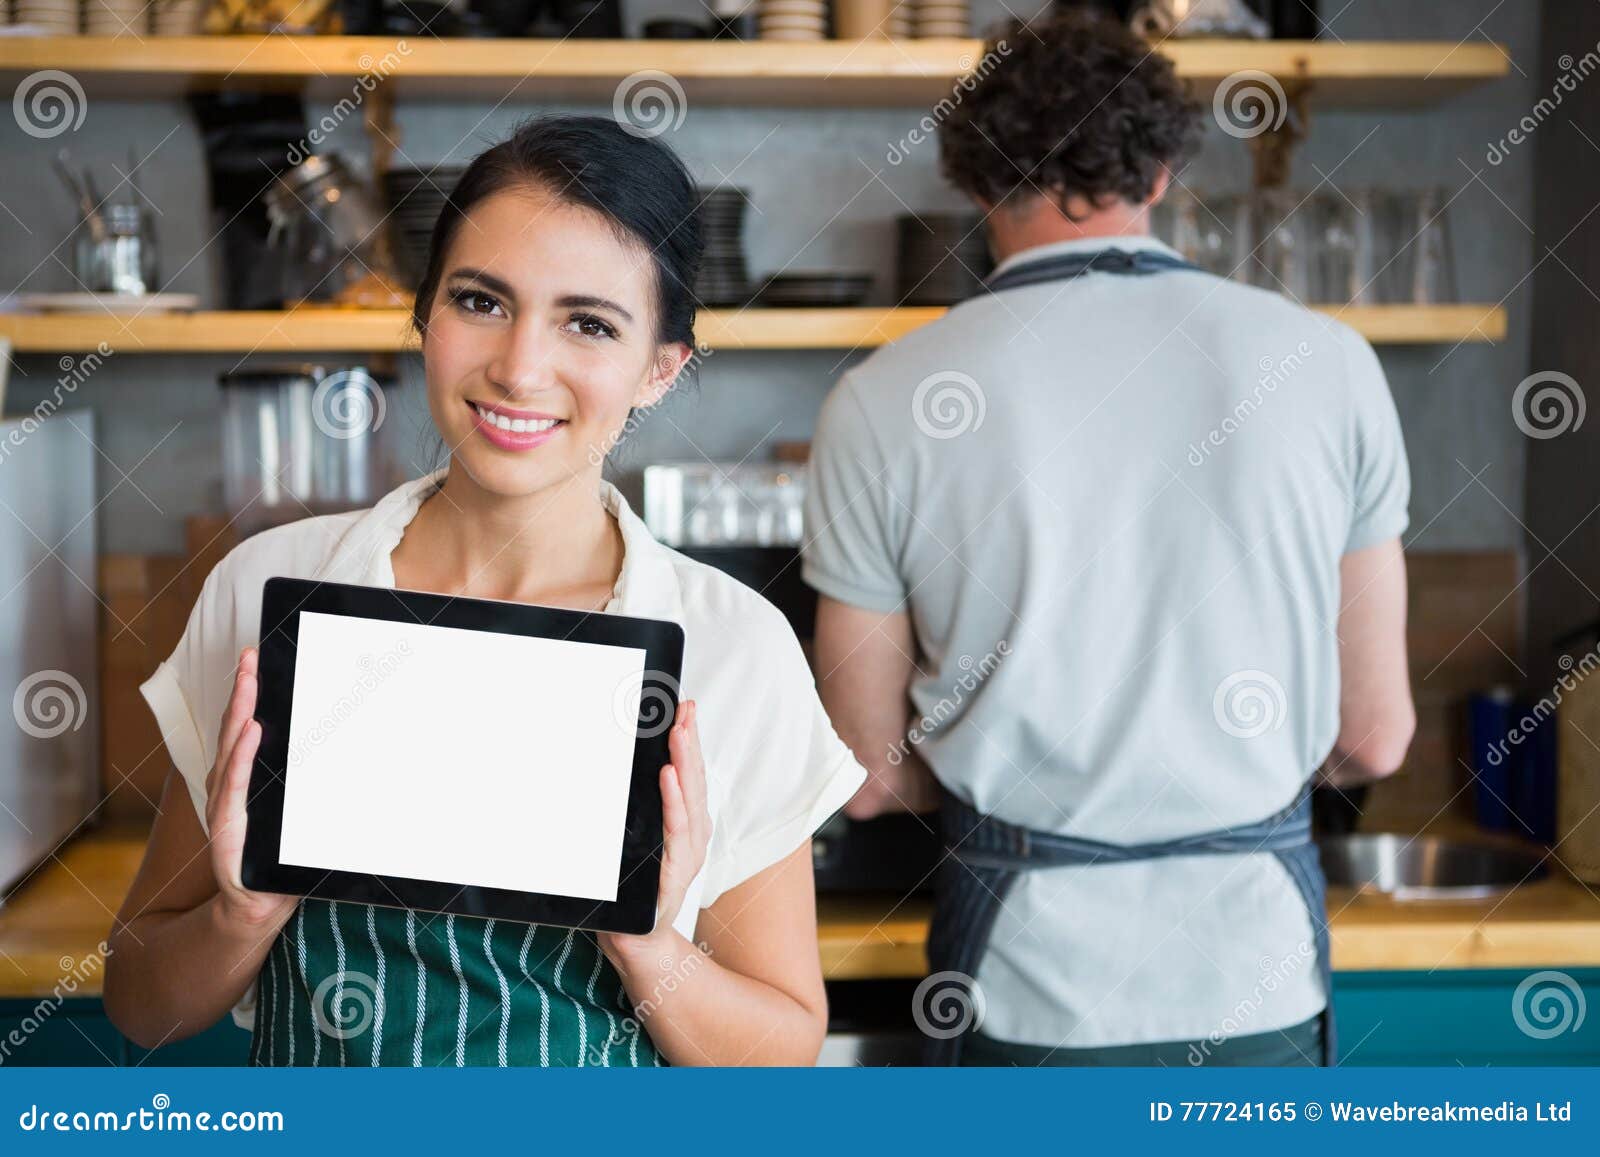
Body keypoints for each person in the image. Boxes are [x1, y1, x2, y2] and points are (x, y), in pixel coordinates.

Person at [103, 116, 865, 1067]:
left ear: (661, 368)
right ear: (424, 314)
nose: (519, 368)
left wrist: (645, 940)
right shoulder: (270, 589)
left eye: (589, 322)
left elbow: (783, 1053)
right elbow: (139, 1003)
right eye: (481, 300)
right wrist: (241, 914)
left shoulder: (731, 645)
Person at [803, 11, 1415, 1066]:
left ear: (969, 176)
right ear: (1166, 167)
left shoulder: (883, 398)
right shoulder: (1329, 364)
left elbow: (866, 767)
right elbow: (1373, 736)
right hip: (1251, 972)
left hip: (1024, 988)